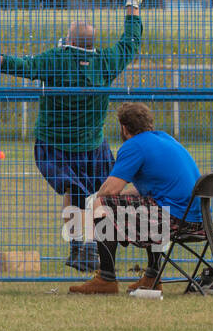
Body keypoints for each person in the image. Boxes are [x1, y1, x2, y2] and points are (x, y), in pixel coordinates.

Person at [0, 0, 145, 272]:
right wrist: (133, 7)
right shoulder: (106, 61)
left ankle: (79, 246)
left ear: (69, 40)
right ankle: (91, 248)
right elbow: (130, 42)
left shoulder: (57, 59)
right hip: (92, 145)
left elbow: (25, 66)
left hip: (55, 144)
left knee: (72, 192)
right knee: (96, 196)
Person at [68, 103, 204, 294]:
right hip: (197, 221)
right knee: (149, 205)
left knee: (99, 204)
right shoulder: (166, 139)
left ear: (124, 128)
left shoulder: (134, 146)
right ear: (149, 123)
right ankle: (152, 276)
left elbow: (110, 190)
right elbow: (154, 192)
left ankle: (105, 278)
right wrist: (121, 197)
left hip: (174, 220)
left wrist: (94, 201)